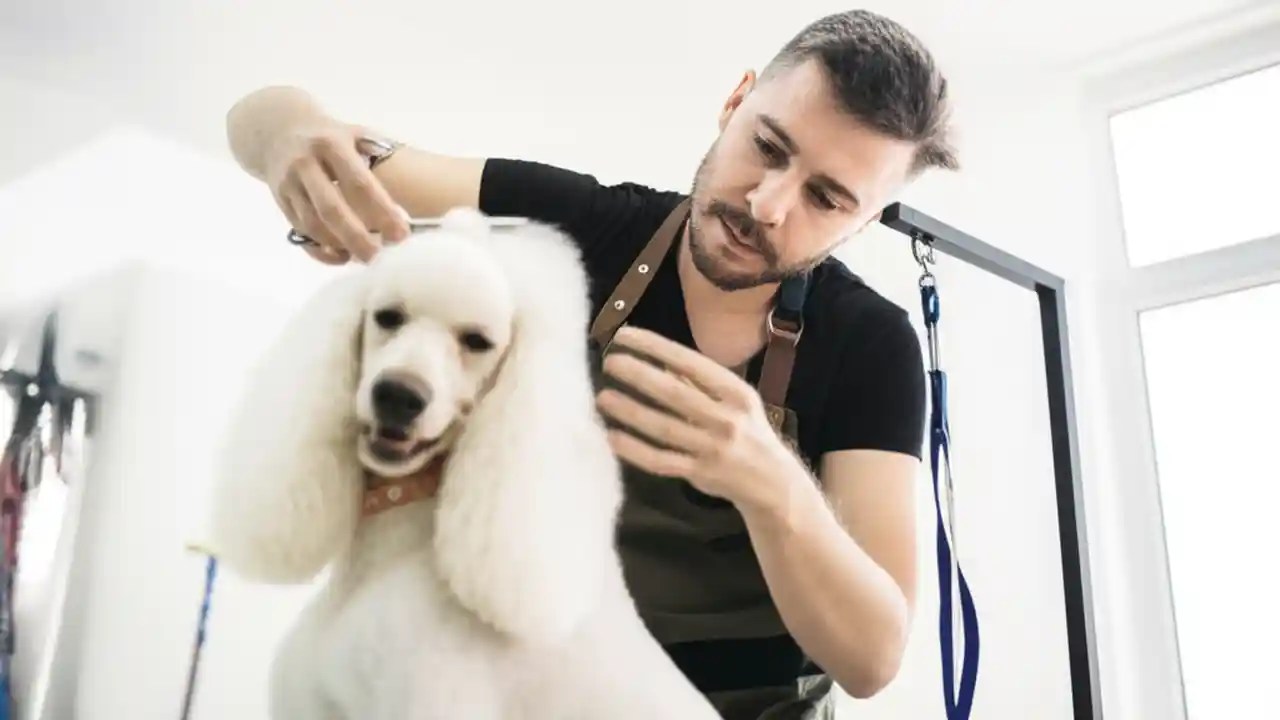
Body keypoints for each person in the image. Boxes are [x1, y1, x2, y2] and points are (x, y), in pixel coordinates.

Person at [225, 9, 957, 719]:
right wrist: (282, 132)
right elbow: (299, 132)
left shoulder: (870, 346)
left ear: (865, 221)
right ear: (735, 100)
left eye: (825, 199)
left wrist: (769, 486)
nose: (766, 205)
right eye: (767, 147)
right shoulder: (589, 229)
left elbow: (872, 660)